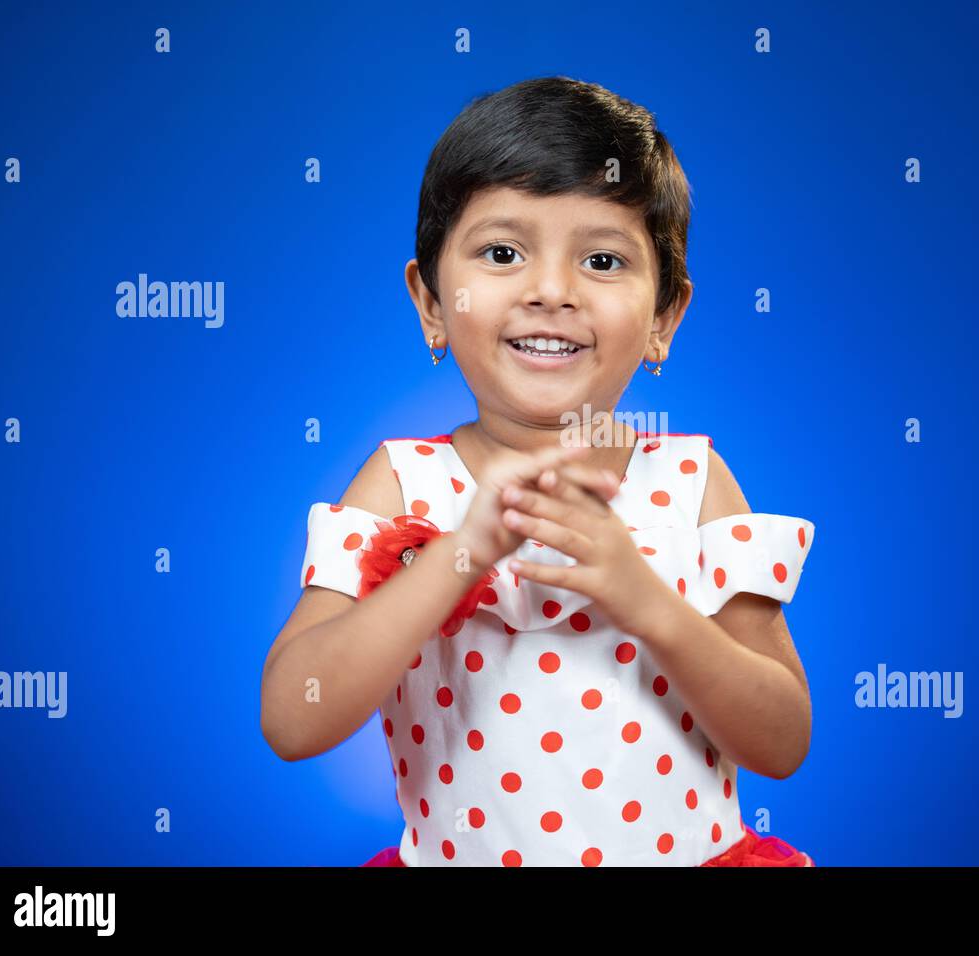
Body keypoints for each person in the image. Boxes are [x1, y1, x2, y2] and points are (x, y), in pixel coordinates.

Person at [261, 76, 816, 867]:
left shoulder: (692, 483)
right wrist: (458, 556)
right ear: (430, 303)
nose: (551, 292)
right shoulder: (403, 484)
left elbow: (782, 740)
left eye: (600, 259)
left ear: (664, 319)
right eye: (501, 252)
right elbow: (293, 717)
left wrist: (648, 601)